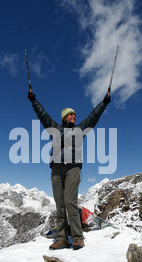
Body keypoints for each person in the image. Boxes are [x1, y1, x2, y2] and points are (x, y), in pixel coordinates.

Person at [28, 88, 110, 250]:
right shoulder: (55, 129)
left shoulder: (79, 130)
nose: (75, 116)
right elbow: (42, 115)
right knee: (60, 204)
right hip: (56, 169)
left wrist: (104, 102)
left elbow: (93, 117)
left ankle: (78, 237)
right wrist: (33, 100)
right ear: (64, 116)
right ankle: (62, 238)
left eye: (75, 115)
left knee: (70, 202)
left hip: (73, 168)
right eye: (71, 114)